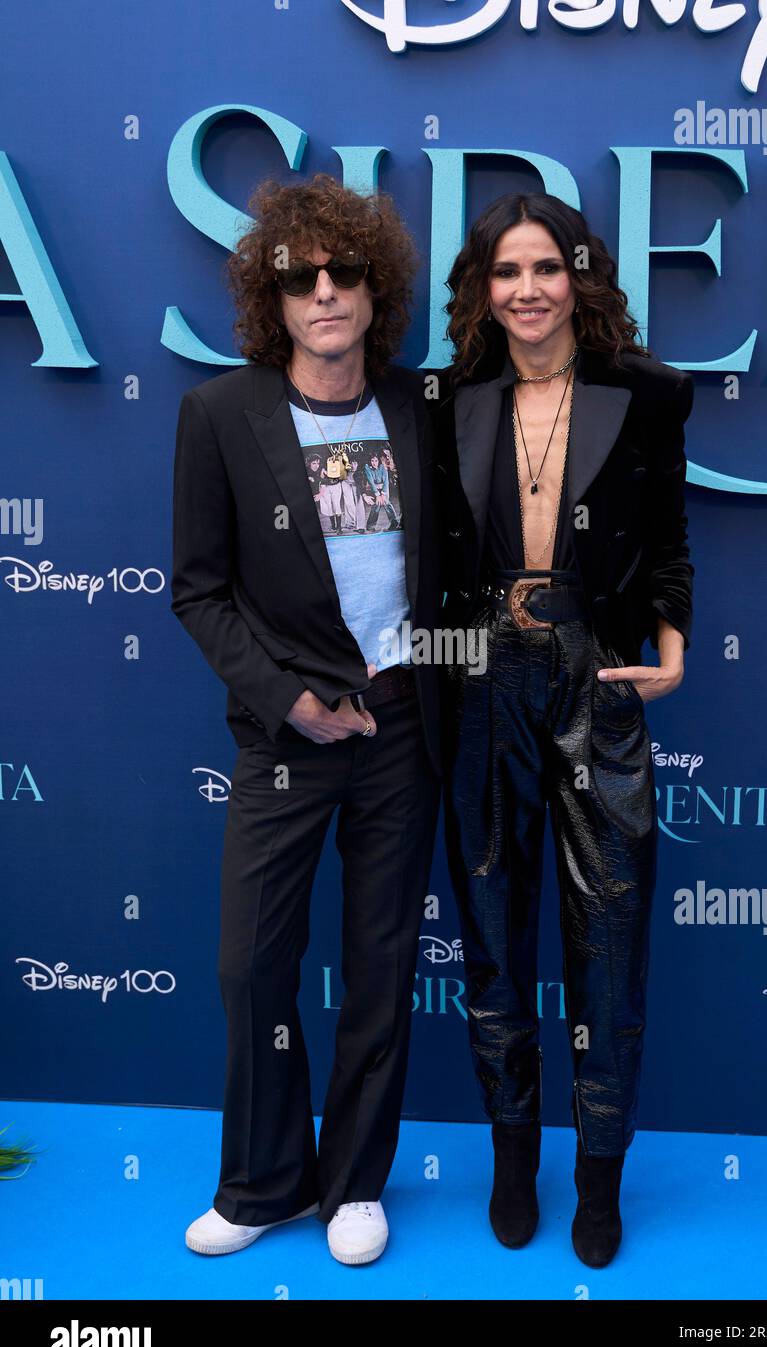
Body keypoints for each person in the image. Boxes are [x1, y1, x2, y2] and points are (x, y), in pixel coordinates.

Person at [171, 172, 443, 1265]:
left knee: (379, 958)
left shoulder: (422, 407)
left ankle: (355, 1183)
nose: (325, 292)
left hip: (403, 728)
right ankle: (263, 1182)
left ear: (376, 292)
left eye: (346, 274)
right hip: (285, 735)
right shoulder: (218, 414)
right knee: (250, 964)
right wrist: (285, 696)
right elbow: (196, 587)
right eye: (302, 278)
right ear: (271, 300)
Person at [428, 191, 695, 1267]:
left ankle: (596, 1176)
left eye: (545, 268)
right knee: (490, 929)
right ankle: (507, 1158)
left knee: (611, 935)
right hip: (478, 667)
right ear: (480, 290)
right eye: (505, 272)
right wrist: (436, 669)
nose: (527, 290)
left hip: (596, 666)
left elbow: (669, 532)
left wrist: (671, 645)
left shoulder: (647, 393)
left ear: (578, 275)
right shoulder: (444, 397)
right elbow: (426, 566)